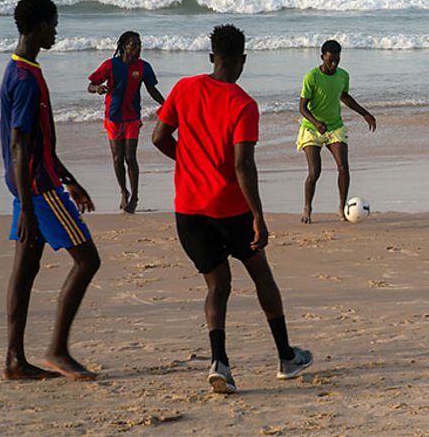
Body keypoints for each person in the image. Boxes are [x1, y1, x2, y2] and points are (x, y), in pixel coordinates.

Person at [152, 24, 312, 394]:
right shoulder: (244, 104)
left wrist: (189, 162)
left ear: (211, 57)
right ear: (242, 60)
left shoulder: (184, 88)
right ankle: (286, 357)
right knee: (261, 275)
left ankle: (219, 362)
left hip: (190, 212)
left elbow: (159, 137)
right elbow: (243, 165)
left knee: (217, 285)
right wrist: (259, 216)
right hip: (232, 210)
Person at [0, 0, 101, 381]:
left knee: (24, 272)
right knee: (88, 260)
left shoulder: (19, 69)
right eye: (54, 24)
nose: (56, 31)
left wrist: (71, 180)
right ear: (39, 26)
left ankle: (14, 361)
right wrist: (28, 205)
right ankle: (57, 350)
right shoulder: (25, 79)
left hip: (29, 185)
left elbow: (39, 144)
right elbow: (20, 144)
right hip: (38, 191)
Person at [297, 40, 377, 224]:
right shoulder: (312, 76)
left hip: (335, 127)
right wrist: (316, 123)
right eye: (330, 60)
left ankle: (342, 209)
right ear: (322, 57)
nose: (333, 64)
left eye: (337, 60)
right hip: (312, 128)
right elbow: (302, 107)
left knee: (343, 167)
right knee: (314, 172)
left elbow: (345, 97)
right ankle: (307, 207)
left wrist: (365, 113)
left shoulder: (343, 76)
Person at [87, 31, 165, 213]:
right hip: (113, 117)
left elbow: (152, 89)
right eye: (134, 44)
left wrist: (166, 104)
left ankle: (135, 197)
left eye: (140, 44)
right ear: (124, 47)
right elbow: (90, 85)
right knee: (117, 157)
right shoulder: (110, 65)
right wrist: (97, 88)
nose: (139, 48)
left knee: (130, 157)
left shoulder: (144, 67)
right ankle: (123, 191)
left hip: (132, 118)